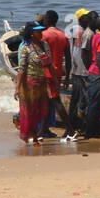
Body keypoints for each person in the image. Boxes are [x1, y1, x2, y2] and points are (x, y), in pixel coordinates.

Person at [14, 22, 52, 146]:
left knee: (41, 111)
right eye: (38, 31)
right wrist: (17, 87)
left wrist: (55, 81)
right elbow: (21, 69)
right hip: (29, 84)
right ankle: (33, 136)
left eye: (41, 31)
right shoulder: (26, 47)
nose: (41, 33)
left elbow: (49, 65)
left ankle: (33, 133)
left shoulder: (45, 45)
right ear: (31, 34)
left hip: (42, 84)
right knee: (30, 112)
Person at [64, 9, 94, 142]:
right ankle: (74, 126)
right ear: (80, 19)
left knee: (77, 100)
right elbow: (78, 52)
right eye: (86, 17)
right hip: (81, 70)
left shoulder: (75, 30)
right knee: (80, 99)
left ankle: (74, 125)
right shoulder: (80, 31)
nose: (88, 19)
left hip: (78, 69)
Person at [40, 10, 71, 138]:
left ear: (47, 20)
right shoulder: (63, 35)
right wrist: (68, 76)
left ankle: (70, 130)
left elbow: (40, 55)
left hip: (47, 73)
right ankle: (43, 130)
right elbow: (68, 58)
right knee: (48, 102)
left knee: (56, 101)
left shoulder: (44, 35)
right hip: (58, 73)